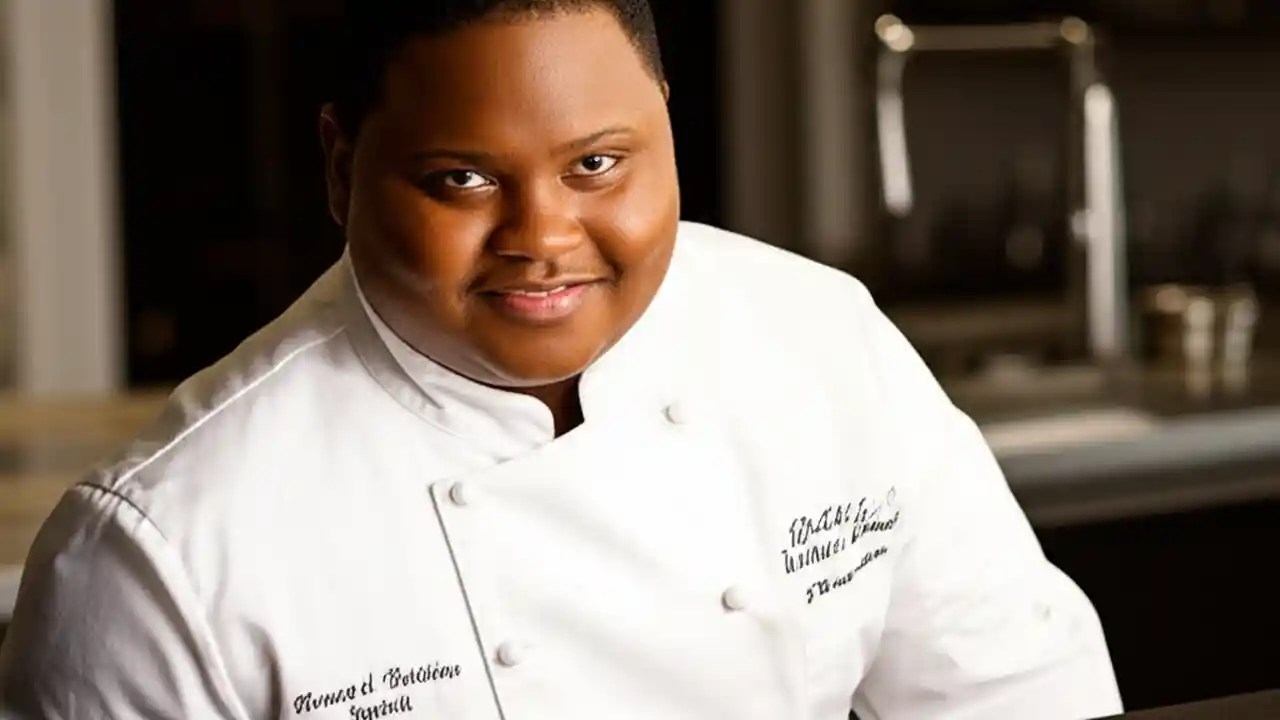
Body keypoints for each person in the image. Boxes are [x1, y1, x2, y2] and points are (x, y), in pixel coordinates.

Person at [0, 1, 1123, 718]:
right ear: (341, 168)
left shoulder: (821, 344)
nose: (541, 235)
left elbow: (1020, 697)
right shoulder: (158, 555)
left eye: (596, 163)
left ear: (667, 127)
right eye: (463, 179)